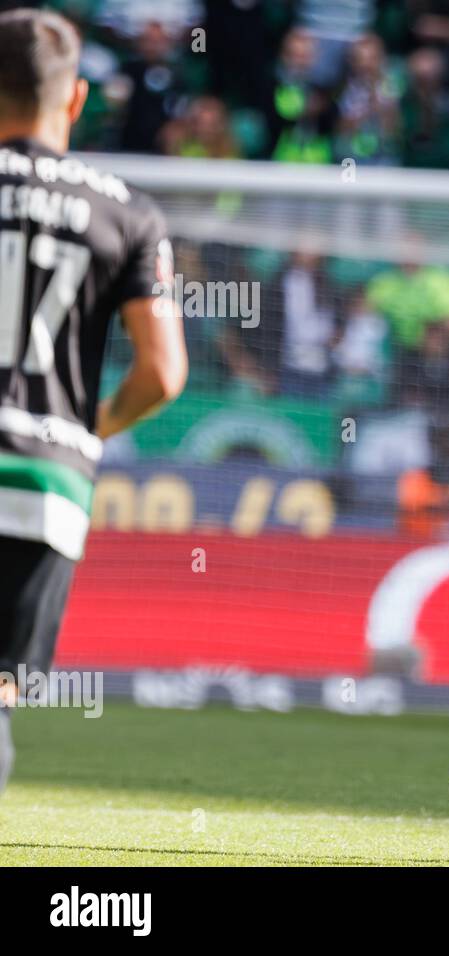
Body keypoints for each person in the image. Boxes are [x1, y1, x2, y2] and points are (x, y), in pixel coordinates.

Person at [0, 9, 188, 795]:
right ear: (75, 98)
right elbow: (163, 373)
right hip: (47, 478)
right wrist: (90, 428)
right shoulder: (128, 212)